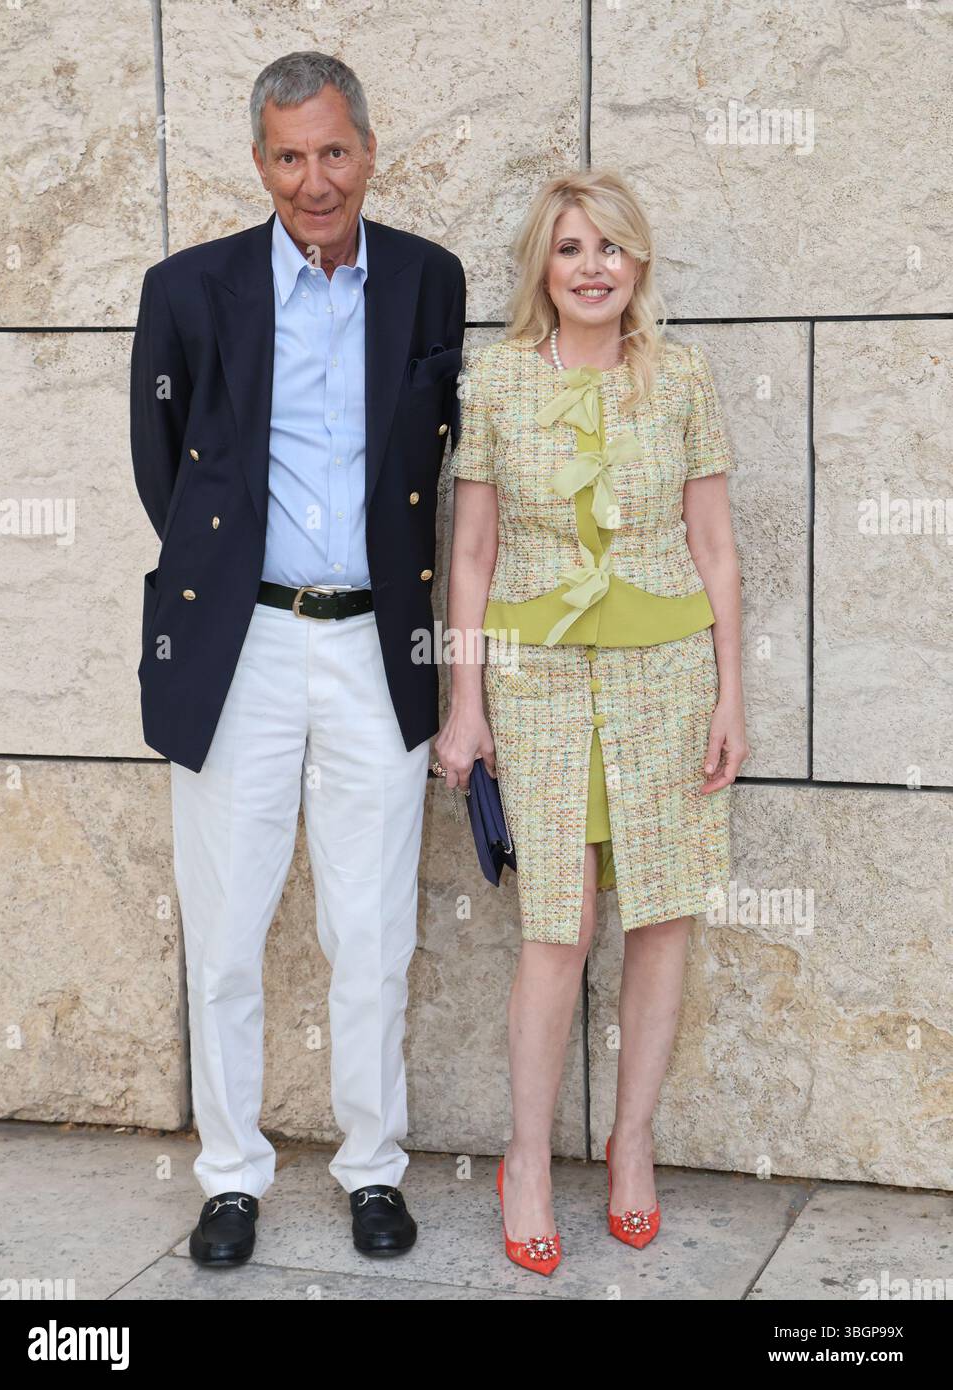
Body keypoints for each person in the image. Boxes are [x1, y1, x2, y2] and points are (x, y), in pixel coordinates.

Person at [129, 50, 465, 1265]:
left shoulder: (431, 281)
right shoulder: (187, 289)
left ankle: (373, 1168)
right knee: (225, 931)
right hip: (243, 644)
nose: (313, 180)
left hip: (379, 646)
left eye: (333, 151)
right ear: (259, 161)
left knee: (371, 931)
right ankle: (230, 1180)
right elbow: (168, 473)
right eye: (288, 156)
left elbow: (437, 473)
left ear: (369, 151)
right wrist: (230, 596)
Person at [435, 169, 747, 1275]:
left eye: (611, 248)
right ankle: (526, 1158)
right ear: (543, 268)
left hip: (665, 679)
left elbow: (714, 548)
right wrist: (463, 703)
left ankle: (633, 1142)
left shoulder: (683, 377)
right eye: (571, 249)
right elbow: (470, 555)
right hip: (539, 683)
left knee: (661, 914)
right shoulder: (500, 381)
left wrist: (730, 697)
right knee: (555, 930)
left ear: (639, 263)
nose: (593, 268)